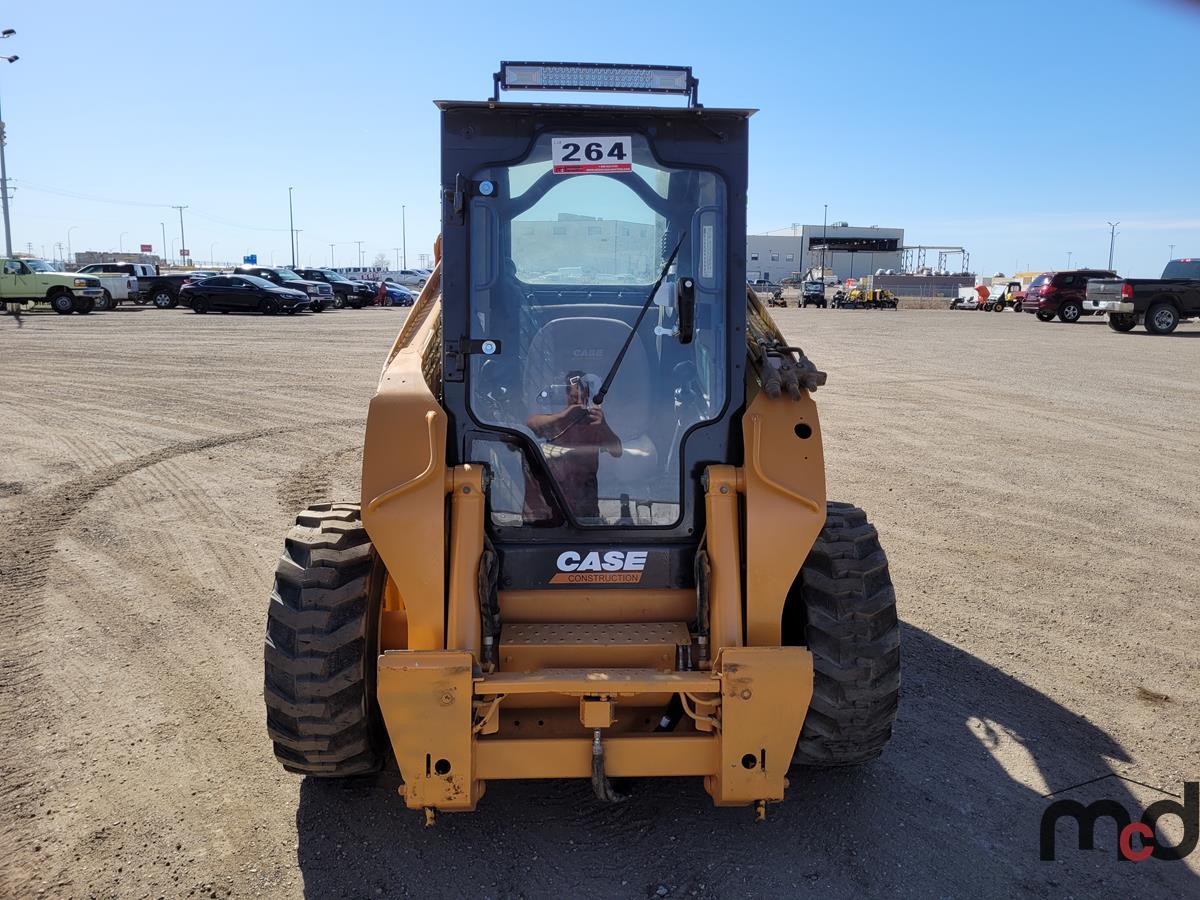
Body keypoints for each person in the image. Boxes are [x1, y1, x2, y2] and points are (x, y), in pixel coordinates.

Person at [524, 371, 622, 521]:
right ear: (563, 395)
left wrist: (603, 425)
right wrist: (563, 416)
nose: (578, 402)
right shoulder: (550, 418)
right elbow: (531, 425)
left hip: (584, 510)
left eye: (583, 398)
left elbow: (617, 451)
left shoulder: (594, 423)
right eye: (574, 397)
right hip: (544, 510)